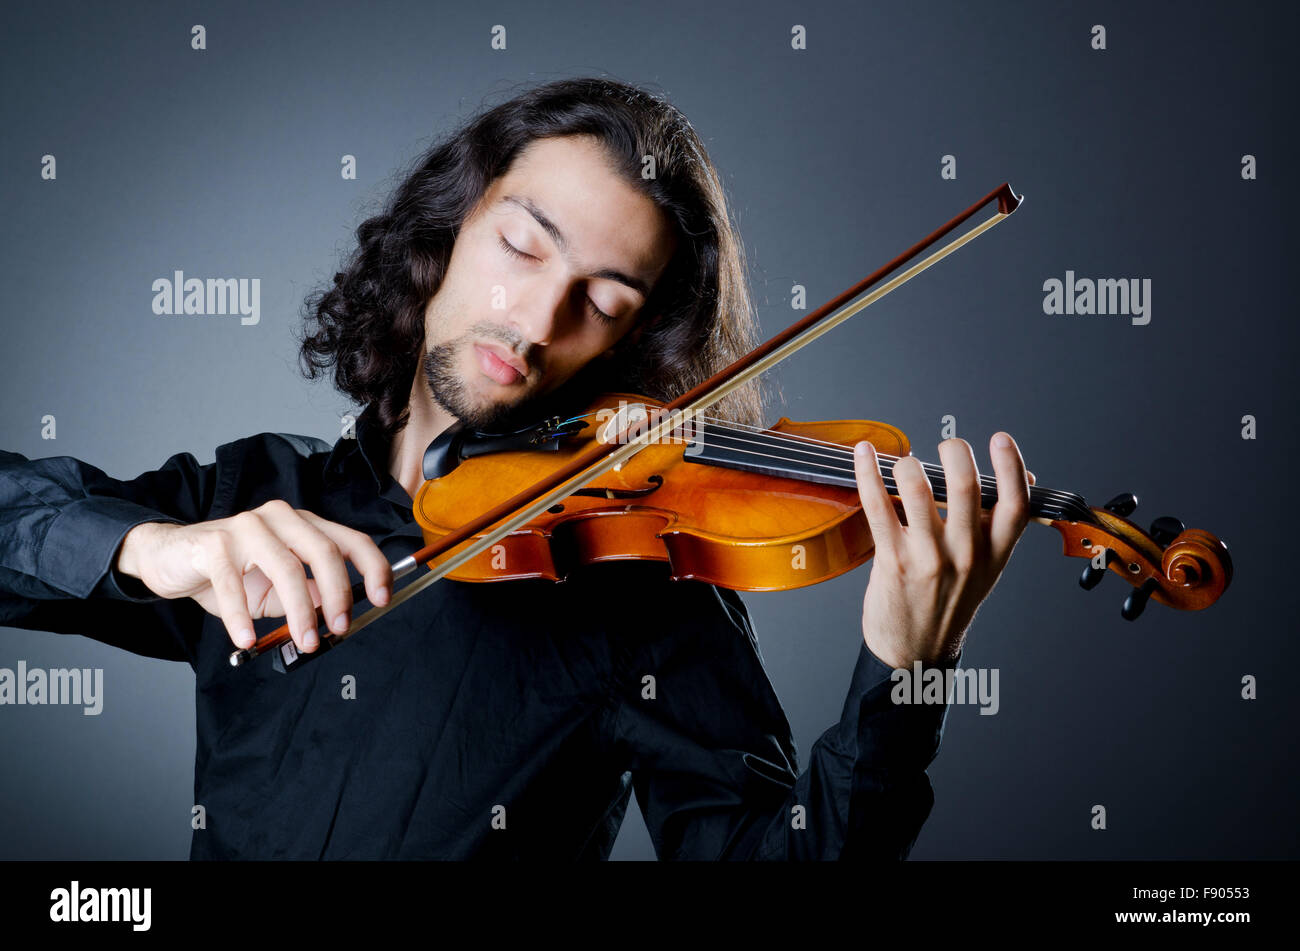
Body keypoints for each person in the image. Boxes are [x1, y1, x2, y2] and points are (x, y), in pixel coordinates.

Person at [0, 77, 1031, 860]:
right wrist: (150, 545)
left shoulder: (639, 589)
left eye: (606, 300)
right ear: (446, 229)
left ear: (633, 349)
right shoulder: (253, 501)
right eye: (524, 246)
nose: (539, 322)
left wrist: (908, 673)